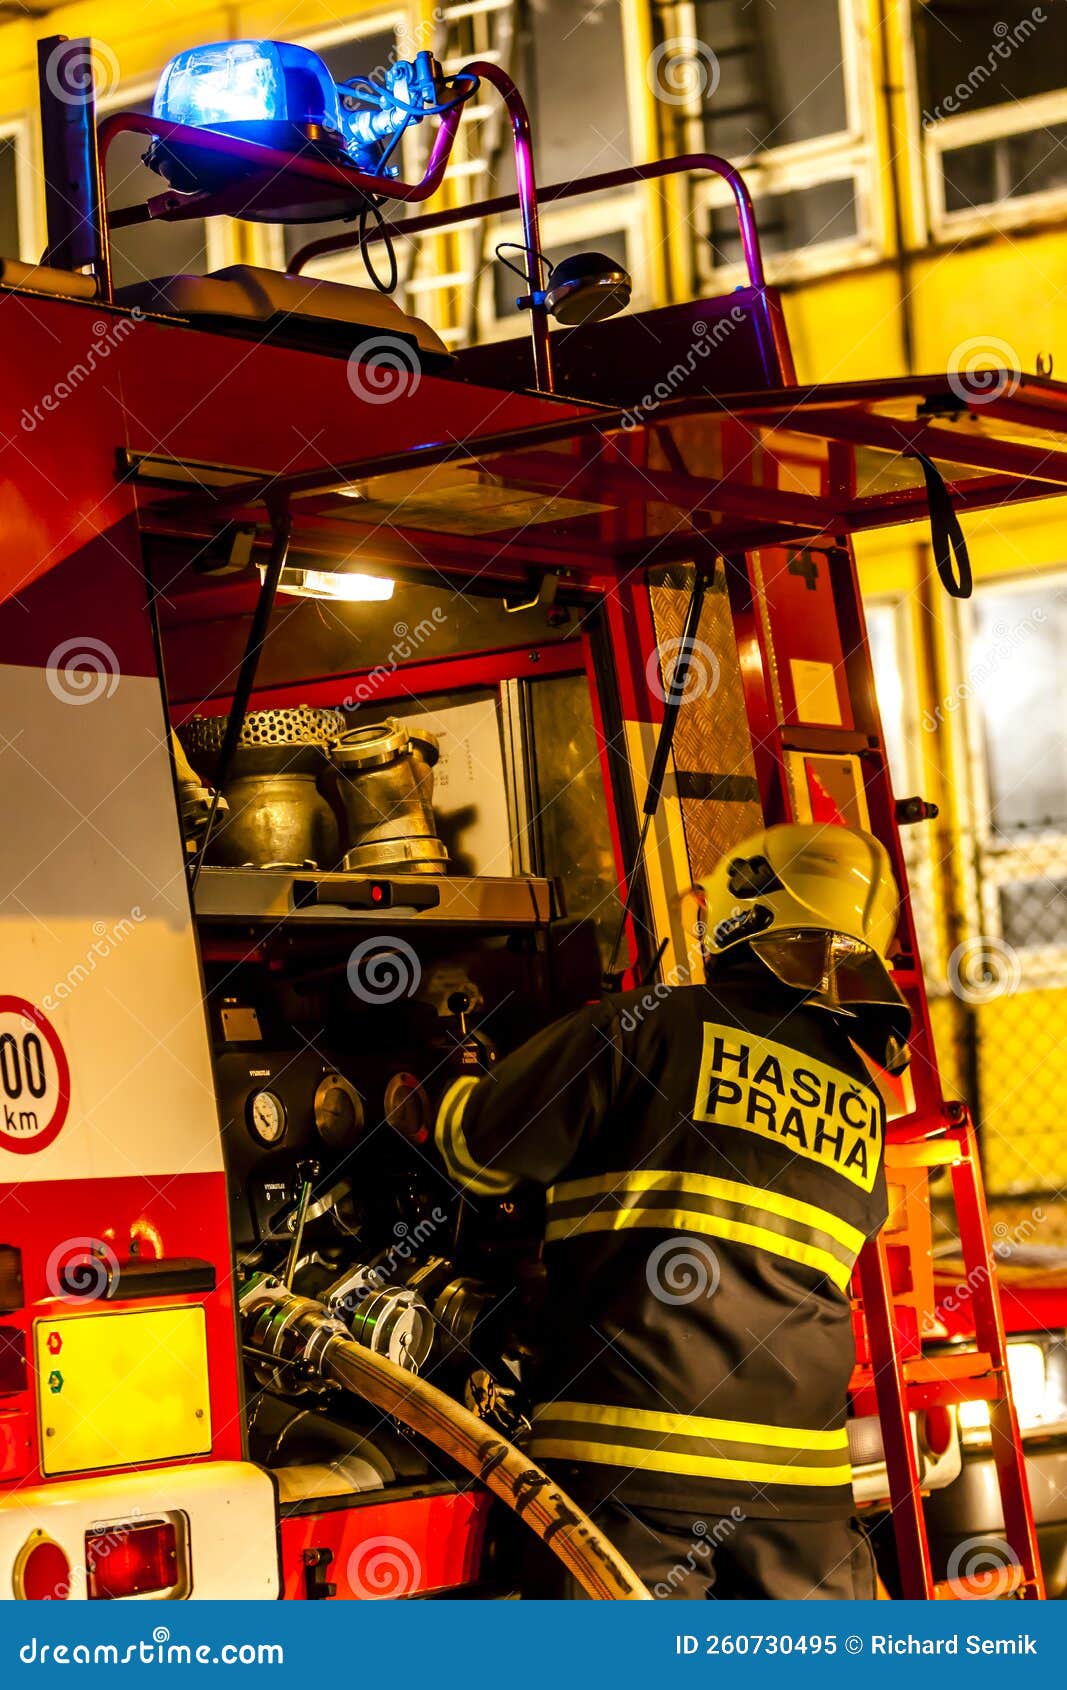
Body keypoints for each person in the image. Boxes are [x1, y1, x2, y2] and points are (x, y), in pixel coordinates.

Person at [434, 823, 910, 1599]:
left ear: (736, 914)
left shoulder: (649, 1026)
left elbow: (474, 1152)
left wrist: (457, 1071)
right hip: (800, 1492)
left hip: (632, 1469)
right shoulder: (860, 1100)